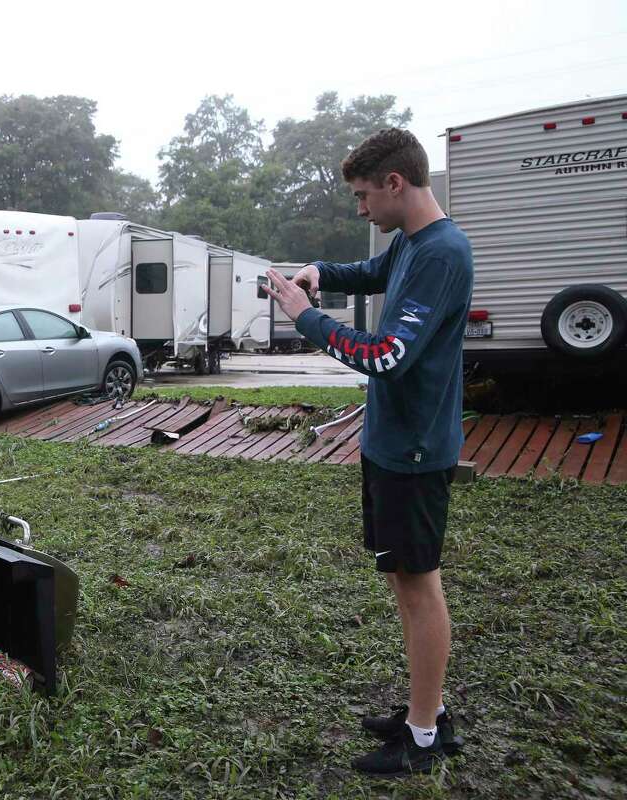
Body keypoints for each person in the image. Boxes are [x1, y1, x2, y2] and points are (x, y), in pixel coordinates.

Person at [262, 128, 473, 776]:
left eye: (362, 196)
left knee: (419, 586)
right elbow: (369, 271)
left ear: (395, 184)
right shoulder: (410, 244)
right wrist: (319, 273)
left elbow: (387, 357)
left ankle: (425, 735)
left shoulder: (442, 253)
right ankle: (425, 710)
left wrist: (306, 316)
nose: (360, 211)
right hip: (389, 446)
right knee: (403, 582)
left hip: (414, 451)